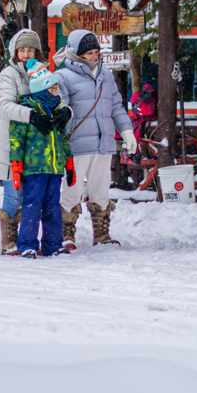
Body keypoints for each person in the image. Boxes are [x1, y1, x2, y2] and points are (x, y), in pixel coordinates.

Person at [56, 28, 138, 251]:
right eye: (89, 53)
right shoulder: (63, 77)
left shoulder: (106, 75)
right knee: (71, 190)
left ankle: (101, 234)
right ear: (76, 54)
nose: (94, 56)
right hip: (77, 144)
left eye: (96, 51)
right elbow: (60, 109)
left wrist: (127, 131)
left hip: (103, 143)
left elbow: (115, 106)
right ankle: (67, 234)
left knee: (100, 189)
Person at [0, 28, 45, 255]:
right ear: (15, 52)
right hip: (12, 142)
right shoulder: (8, 75)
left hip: (34, 144)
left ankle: (26, 239)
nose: (26, 54)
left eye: (30, 50)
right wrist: (32, 114)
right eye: (22, 50)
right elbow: (5, 106)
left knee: (30, 194)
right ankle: (8, 241)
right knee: (13, 192)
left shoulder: (42, 73)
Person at [10, 62, 72, 257]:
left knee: (53, 207)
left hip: (54, 170)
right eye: (53, 88)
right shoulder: (29, 112)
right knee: (32, 206)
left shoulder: (57, 113)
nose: (57, 92)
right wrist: (16, 164)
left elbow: (62, 139)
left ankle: (53, 244)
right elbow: (16, 139)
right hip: (34, 169)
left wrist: (68, 162)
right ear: (43, 90)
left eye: (57, 88)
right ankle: (27, 244)